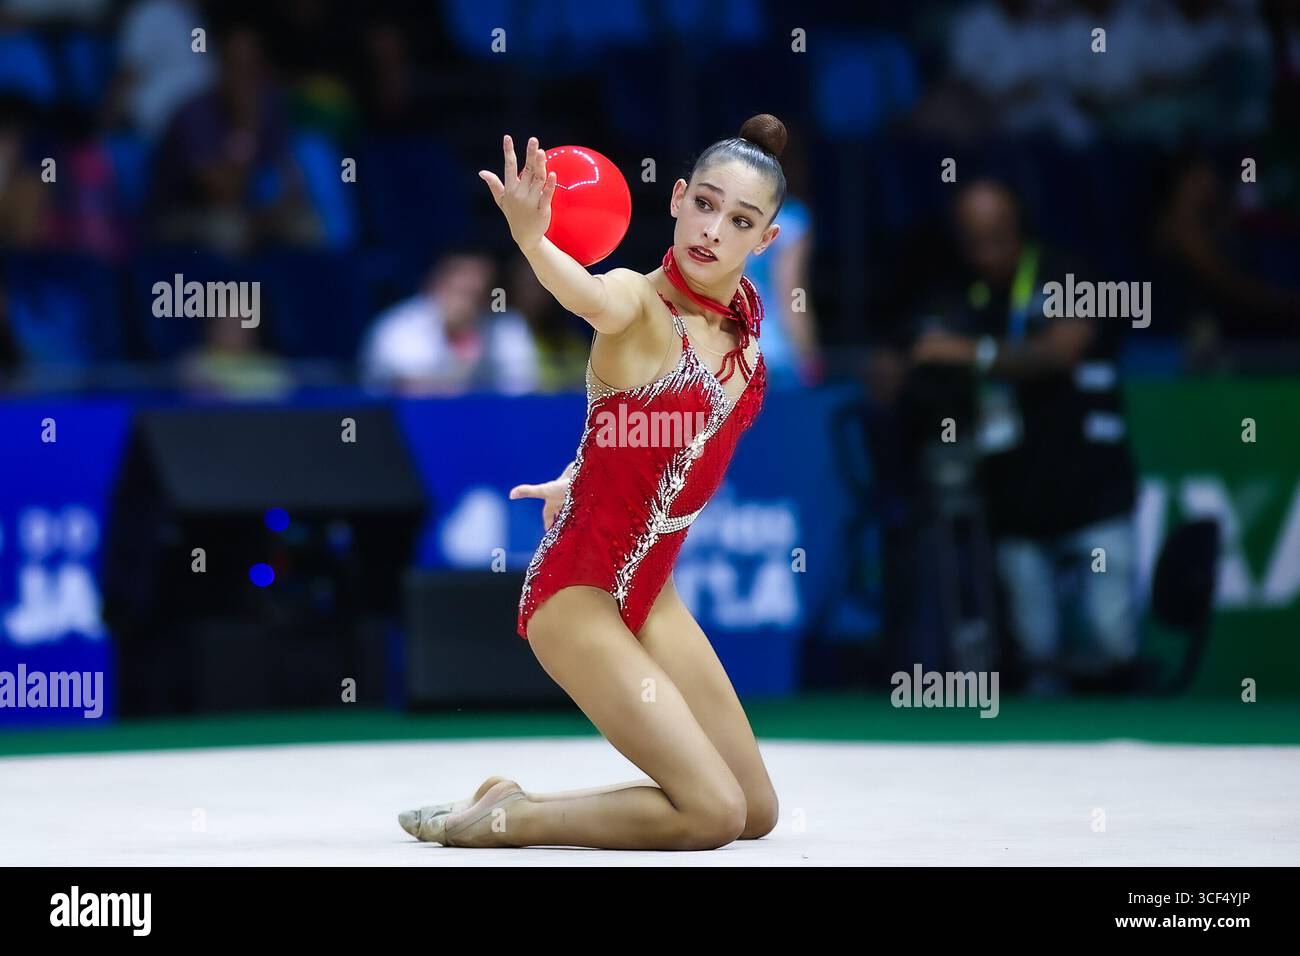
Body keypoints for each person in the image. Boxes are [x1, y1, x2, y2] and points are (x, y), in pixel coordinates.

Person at [397, 116, 786, 849]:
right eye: (703, 203)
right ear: (675, 199)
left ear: (764, 240)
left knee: (756, 813)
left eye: (740, 219)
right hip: (580, 594)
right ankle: (508, 821)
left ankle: (508, 801)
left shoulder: (745, 326)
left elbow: (659, 429)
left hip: (654, 595)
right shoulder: (637, 304)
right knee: (712, 814)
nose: (712, 230)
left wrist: (583, 470)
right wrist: (533, 241)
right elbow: (586, 296)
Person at [911, 179, 1140, 695]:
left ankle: (1127, 749)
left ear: (1018, 227)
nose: (983, 250)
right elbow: (916, 358)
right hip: (1016, 503)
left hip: (1093, 494)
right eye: (972, 238)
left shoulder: (1067, 274)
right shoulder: (960, 293)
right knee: (1036, 658)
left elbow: (1061, 352)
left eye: (995, 235)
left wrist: (971, 353)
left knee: (1108, 642)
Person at [358, 246, 540, 395]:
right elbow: (407, 388)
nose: (465, 303)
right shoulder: (396, 327)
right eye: (460, 291)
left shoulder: (508, 328)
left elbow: (521, 390)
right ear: (435, 284)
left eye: (476, 293)